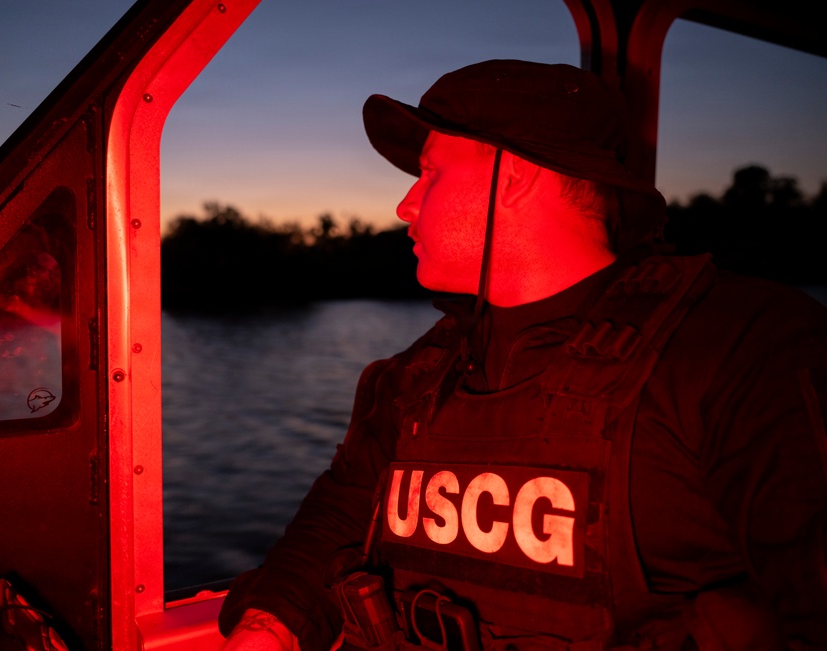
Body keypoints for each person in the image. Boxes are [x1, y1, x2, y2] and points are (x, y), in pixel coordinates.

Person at [217, 59, 827, 650]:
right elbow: (341, 515)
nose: (406, 206)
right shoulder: (417, 377)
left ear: (514, 175)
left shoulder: (745, 350)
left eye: (429, 174)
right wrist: (270, 625)